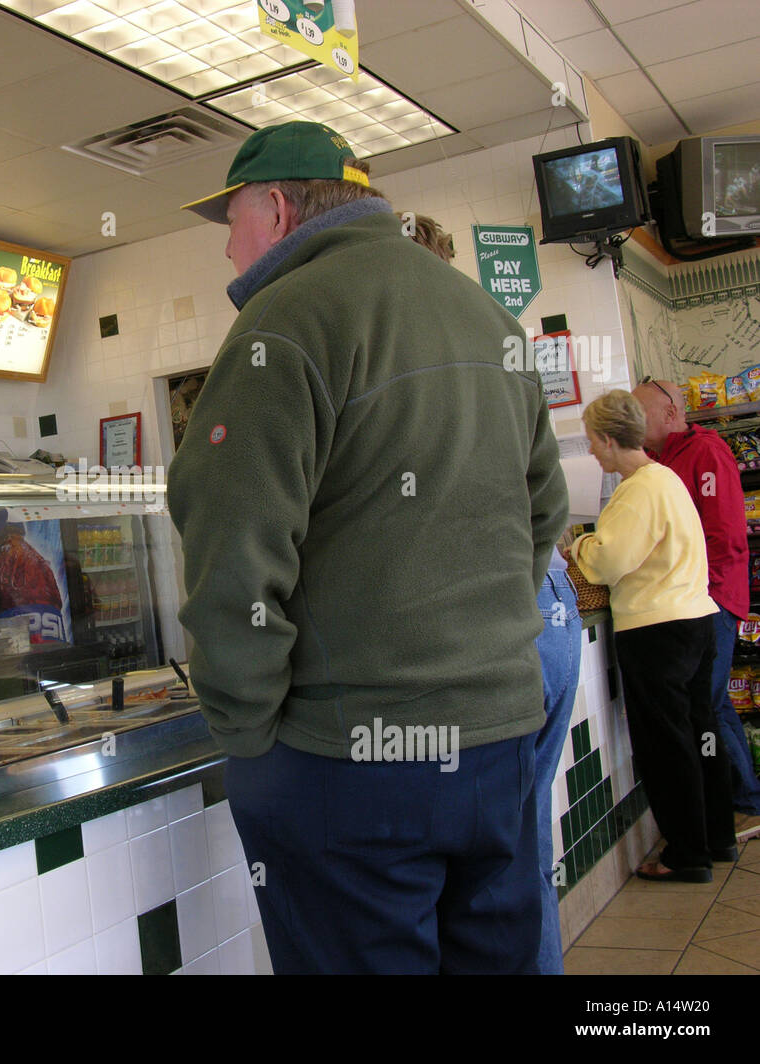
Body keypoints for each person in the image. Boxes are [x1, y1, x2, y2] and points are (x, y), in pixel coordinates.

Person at [168, 122, 569, 973]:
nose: (228, 250)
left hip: (347, 758)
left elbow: (230, 541)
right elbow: (542, 516)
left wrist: (247, 728)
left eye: (229, 221)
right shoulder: (486, 314)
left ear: (275, 208)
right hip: (497, 743)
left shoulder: (285, 318)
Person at [405, 208, 581, 972]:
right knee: (516, 855)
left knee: (479, 874)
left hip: (493, 627)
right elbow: (549, 500)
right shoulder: (493, 338)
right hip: (548, 609)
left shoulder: (401, 351)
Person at [568, 390, 734, 881]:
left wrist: (581, 544)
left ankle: (686, 855)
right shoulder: (666, 480)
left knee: (668, 746)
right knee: (702, 733)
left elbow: (610, 561)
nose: (593, 453)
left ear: (605, 437)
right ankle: (718, 837)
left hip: (657, 630)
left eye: (592, 442)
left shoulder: (638, 487)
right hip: (696, 619)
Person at [632, 378, 760, 834]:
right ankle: (744, 800)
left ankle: (736, 804)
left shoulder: (704, 452)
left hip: (713, 597)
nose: (632, 422)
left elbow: (724, 534)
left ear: (670, 414)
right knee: (714, 700)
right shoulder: (653, 460)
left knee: (704, 701)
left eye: (639, 413)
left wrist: (692, 587)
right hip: (689, 599)